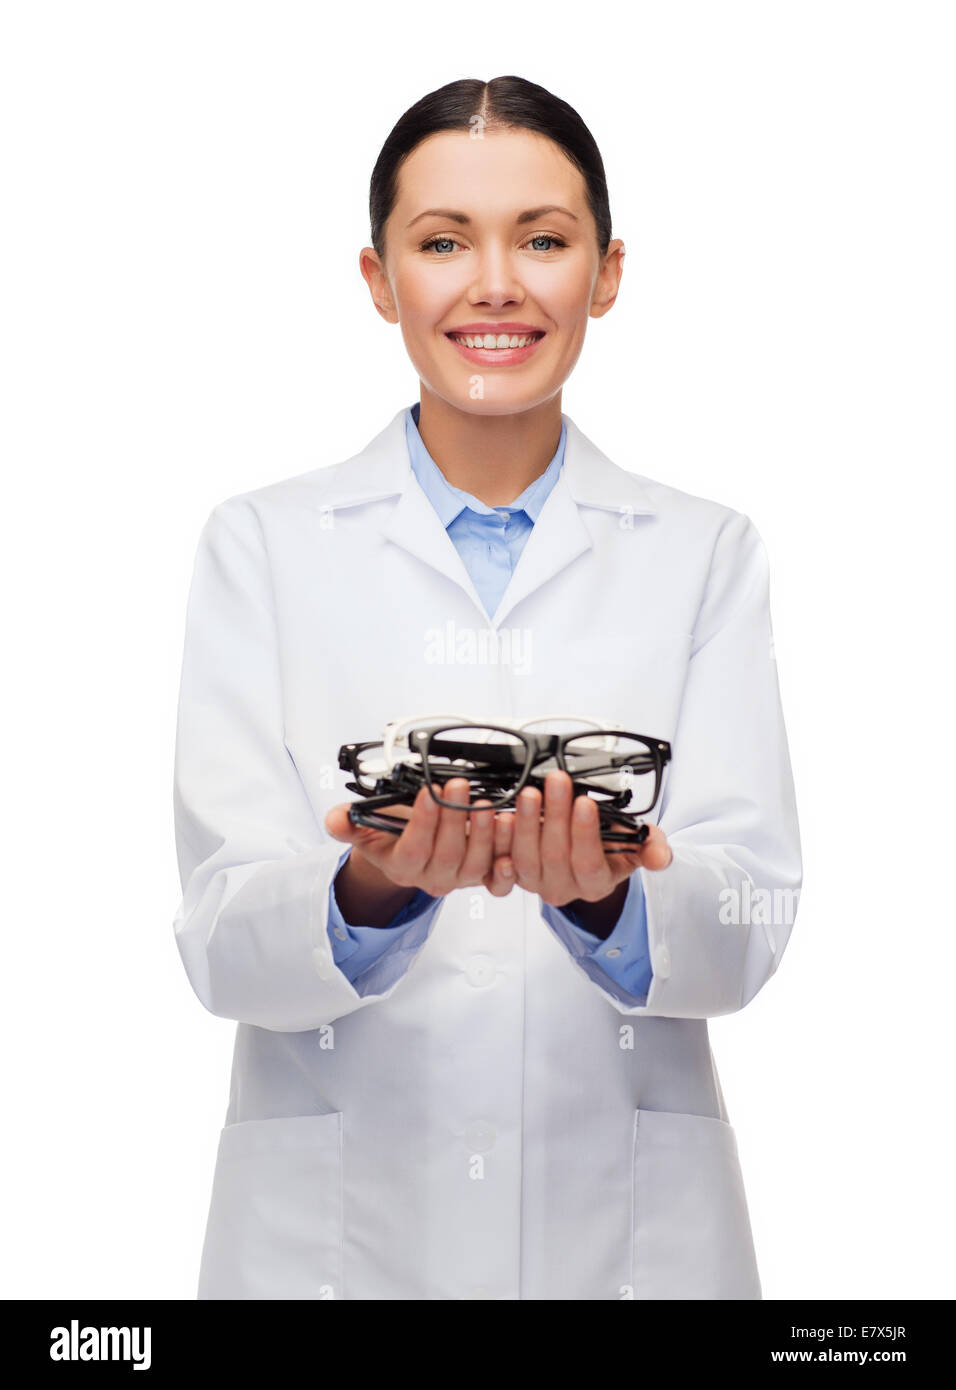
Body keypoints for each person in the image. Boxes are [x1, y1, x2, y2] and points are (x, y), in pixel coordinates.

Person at [172, 74, 802, 1301]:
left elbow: (747, 921)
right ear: (378, 279)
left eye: (544, 240)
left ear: (606, 274)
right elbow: (219, 937)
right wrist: (369, 889)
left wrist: (609, 904)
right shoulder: (261, 547)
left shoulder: (704, 553)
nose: (496, 284)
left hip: (626, 1245)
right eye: (443, 242)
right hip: (331, 1250)